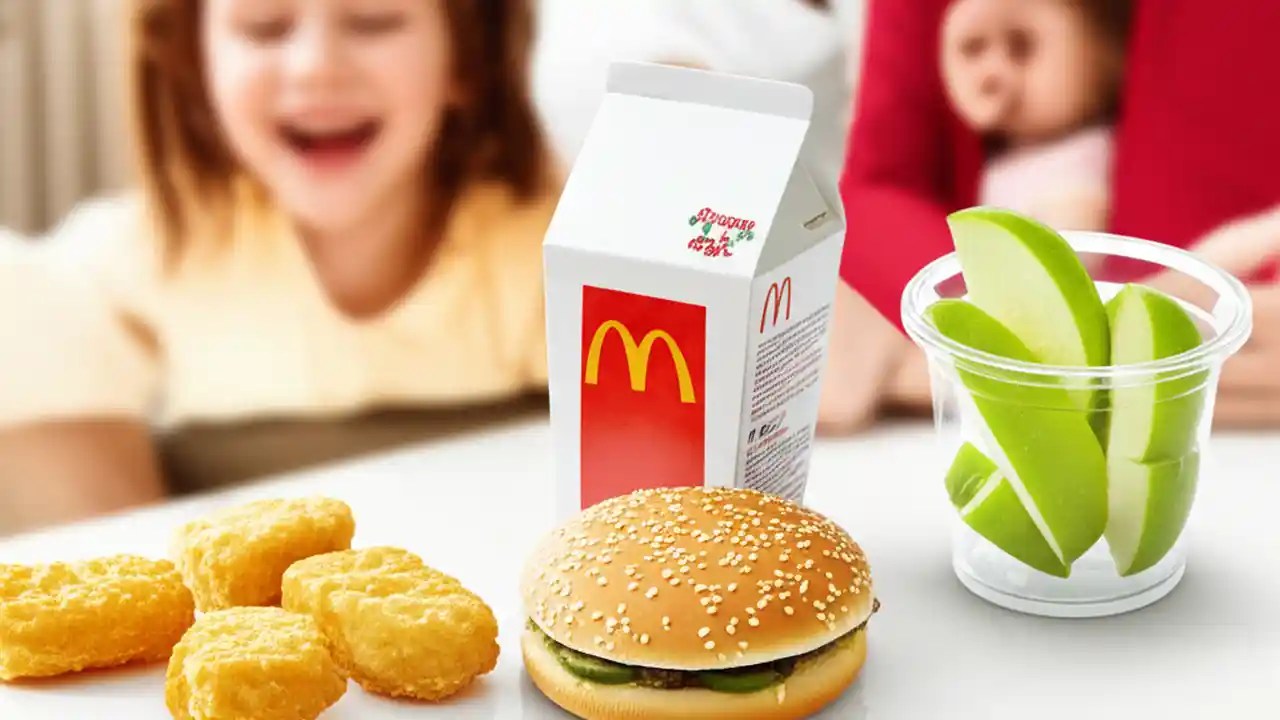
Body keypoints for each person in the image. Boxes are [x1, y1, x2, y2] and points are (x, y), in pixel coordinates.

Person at [0, 0, 556, 533]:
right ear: (196, 65)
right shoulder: (132, 263)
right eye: (264, 27)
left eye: (373, 20)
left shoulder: (555, 250)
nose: (316, 67)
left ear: (467, 56)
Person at [820, 0, 1280, 433]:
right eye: (973, 50)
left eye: (1020, 46)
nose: (991, 74)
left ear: (1103, 60)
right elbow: (885, 180)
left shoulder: (1075, 183)